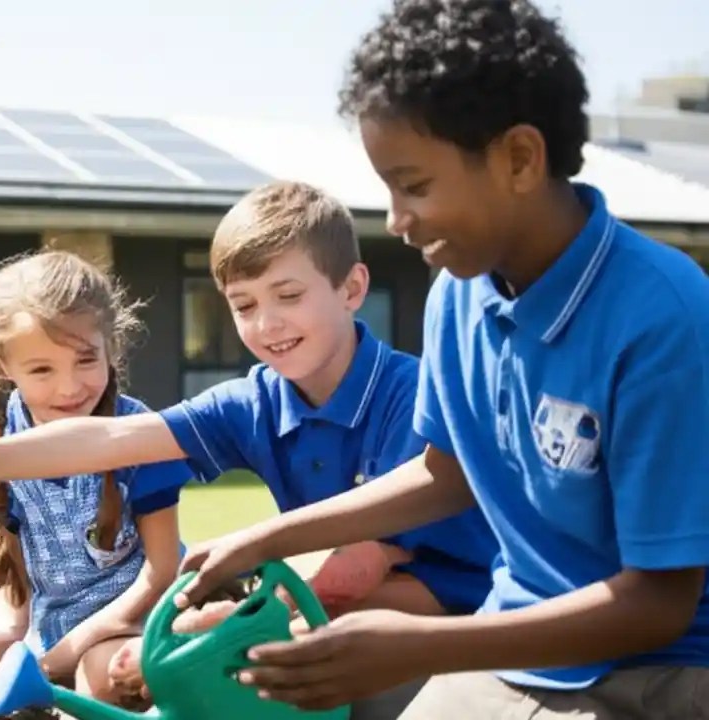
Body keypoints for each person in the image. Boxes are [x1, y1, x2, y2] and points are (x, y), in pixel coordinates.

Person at [165, 1, 709, 717]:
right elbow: (441, 473)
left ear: (519, 158)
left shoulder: (663, 315)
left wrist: (422, 646)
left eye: (414, 186)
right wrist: (262, 538)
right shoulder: (457, 294)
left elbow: (660, 604)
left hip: (661, 668)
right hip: (517, 645)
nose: (395, 220)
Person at [0, 182, 499, 715]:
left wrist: (209, 629)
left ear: (352, 289)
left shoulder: (406, 392)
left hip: (457, 601)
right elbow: (111, 438)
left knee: (252, 660)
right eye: (243, 305)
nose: (266, 325)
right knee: (225, 658)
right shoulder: (257, 401)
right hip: (345, 589)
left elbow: (354, 570)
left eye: (288, 296)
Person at [0, 250, 193, 706]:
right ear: (4, 367)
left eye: (86, 361)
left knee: (102, 675)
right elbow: (8, 601)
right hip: (52, 635)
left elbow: (162, 573)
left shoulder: (141, 437)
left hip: (145, 617)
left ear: (111, 346)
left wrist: (63, 656)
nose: (69, 388)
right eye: (42, 370)